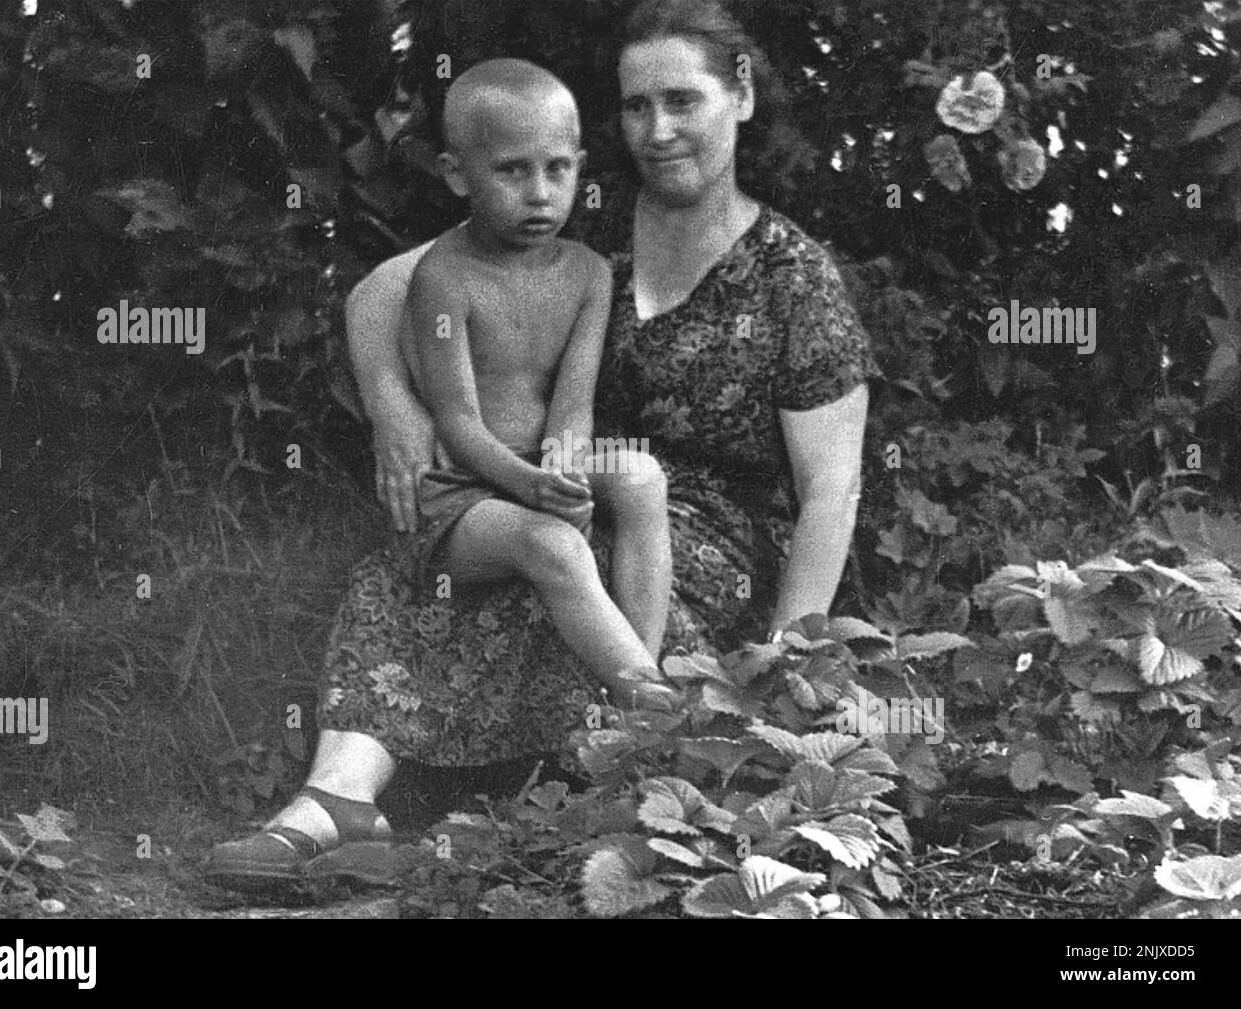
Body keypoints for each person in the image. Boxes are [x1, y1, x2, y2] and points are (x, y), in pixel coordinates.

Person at [205, 0, 880, 889]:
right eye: (638, 106)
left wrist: (790, 667)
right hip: (544, 480)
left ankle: (556, 810)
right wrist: (397, 411)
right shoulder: (568, 212)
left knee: (547, 576)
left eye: (684, 101)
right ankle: (335, 797)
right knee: (414, 561)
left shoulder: (796, 280)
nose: (659, 129)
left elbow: (833, 492)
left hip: (698, 542)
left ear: (742, 95)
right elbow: (380, 292)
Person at [403, 58, 675, 708]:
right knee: (553, 542)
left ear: (580, 165)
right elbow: (457, 424)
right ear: (455, 173)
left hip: (540, 465)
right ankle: (659, 708)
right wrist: (532, 490)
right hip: (461, 494)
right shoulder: (445, 277)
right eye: (511, 170)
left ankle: (635, 684)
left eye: (558, 169)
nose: (540, 193)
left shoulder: (587, 274)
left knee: (641, 476)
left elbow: (572, 403)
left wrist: (564, 472)